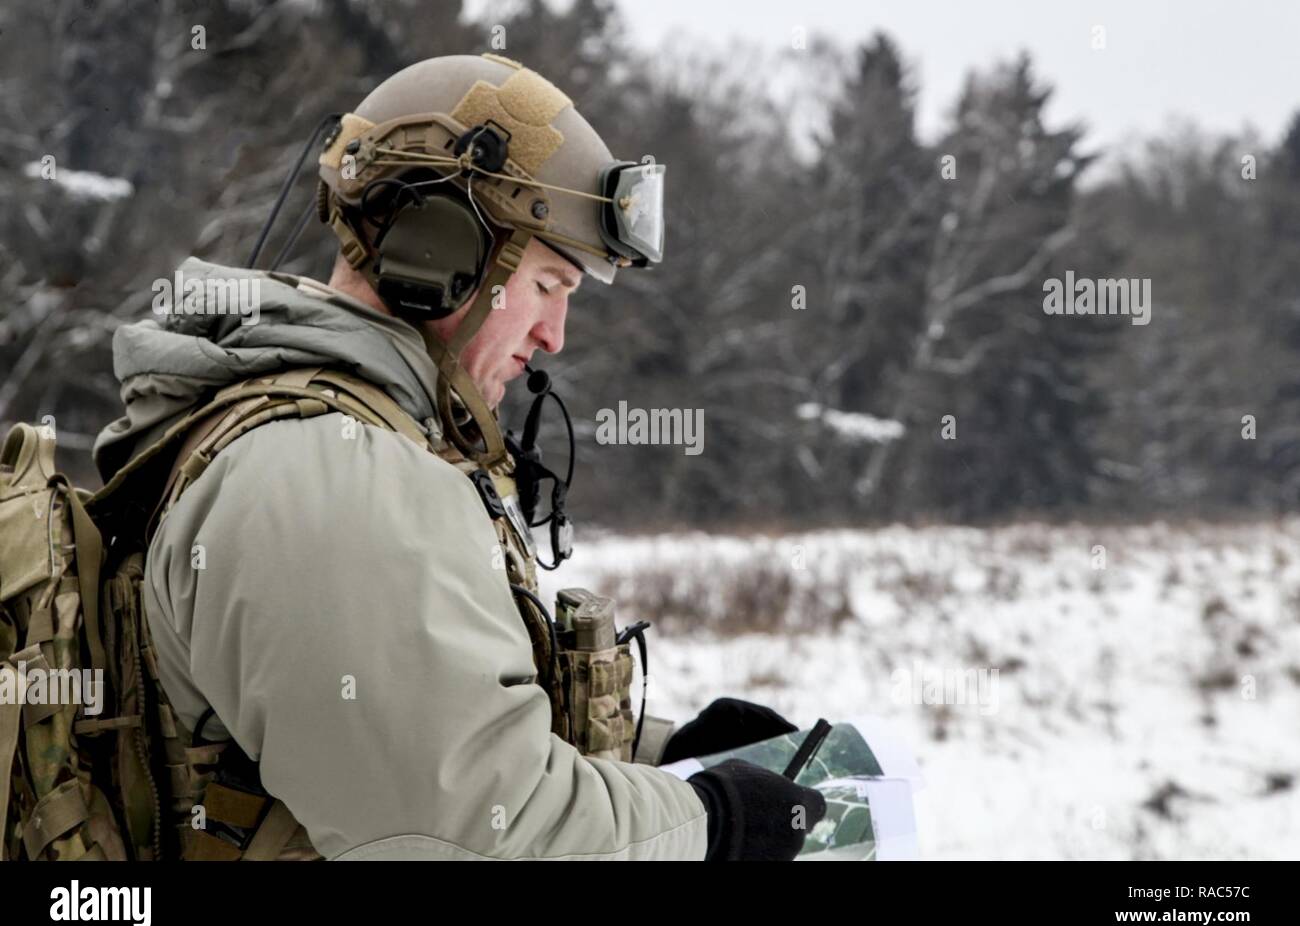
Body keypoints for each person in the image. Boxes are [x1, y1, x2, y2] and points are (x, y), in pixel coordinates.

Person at [93, 52, 824, 861]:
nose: (555, 337)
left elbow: (435, 741)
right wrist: (710, 825)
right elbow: (466, 832)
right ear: (439, 254)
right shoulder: (326, 477)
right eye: (549, 285)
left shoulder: (344, 447)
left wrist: (667, 755)